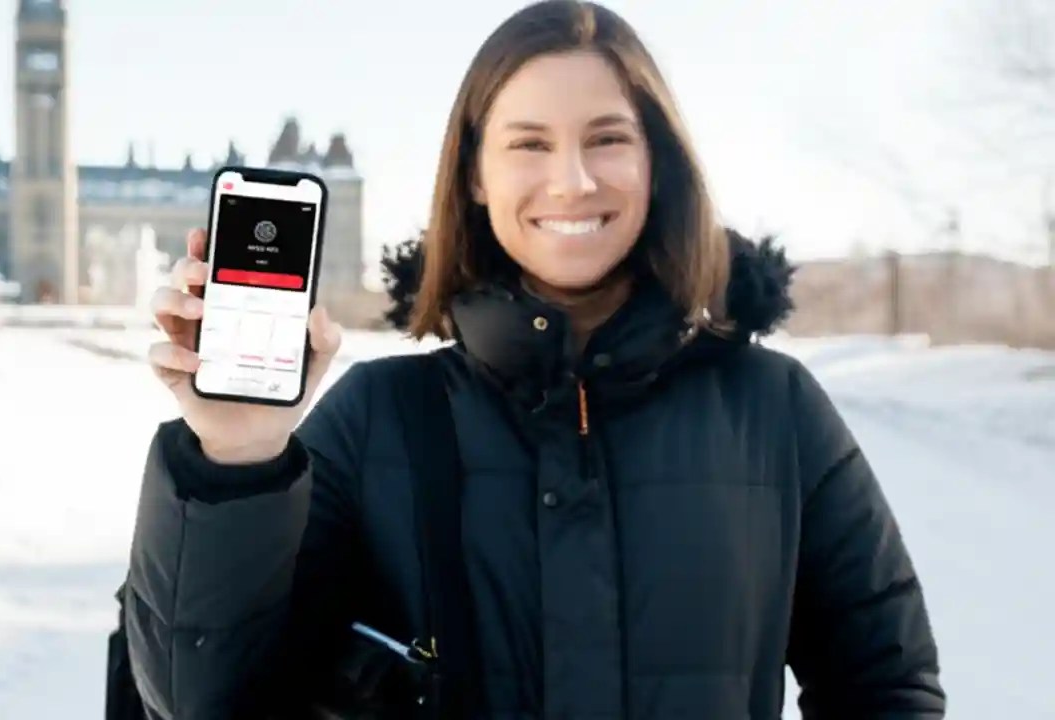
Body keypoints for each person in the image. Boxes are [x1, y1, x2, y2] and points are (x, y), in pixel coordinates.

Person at [130, 1, 946, 717]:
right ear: (476, 175)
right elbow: (202, 701)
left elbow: (886, 686)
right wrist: (237, 457)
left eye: (607, 138)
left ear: (655, 161)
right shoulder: (377, 419)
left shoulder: (773, 410)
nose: (572, 179)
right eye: (529, 144)